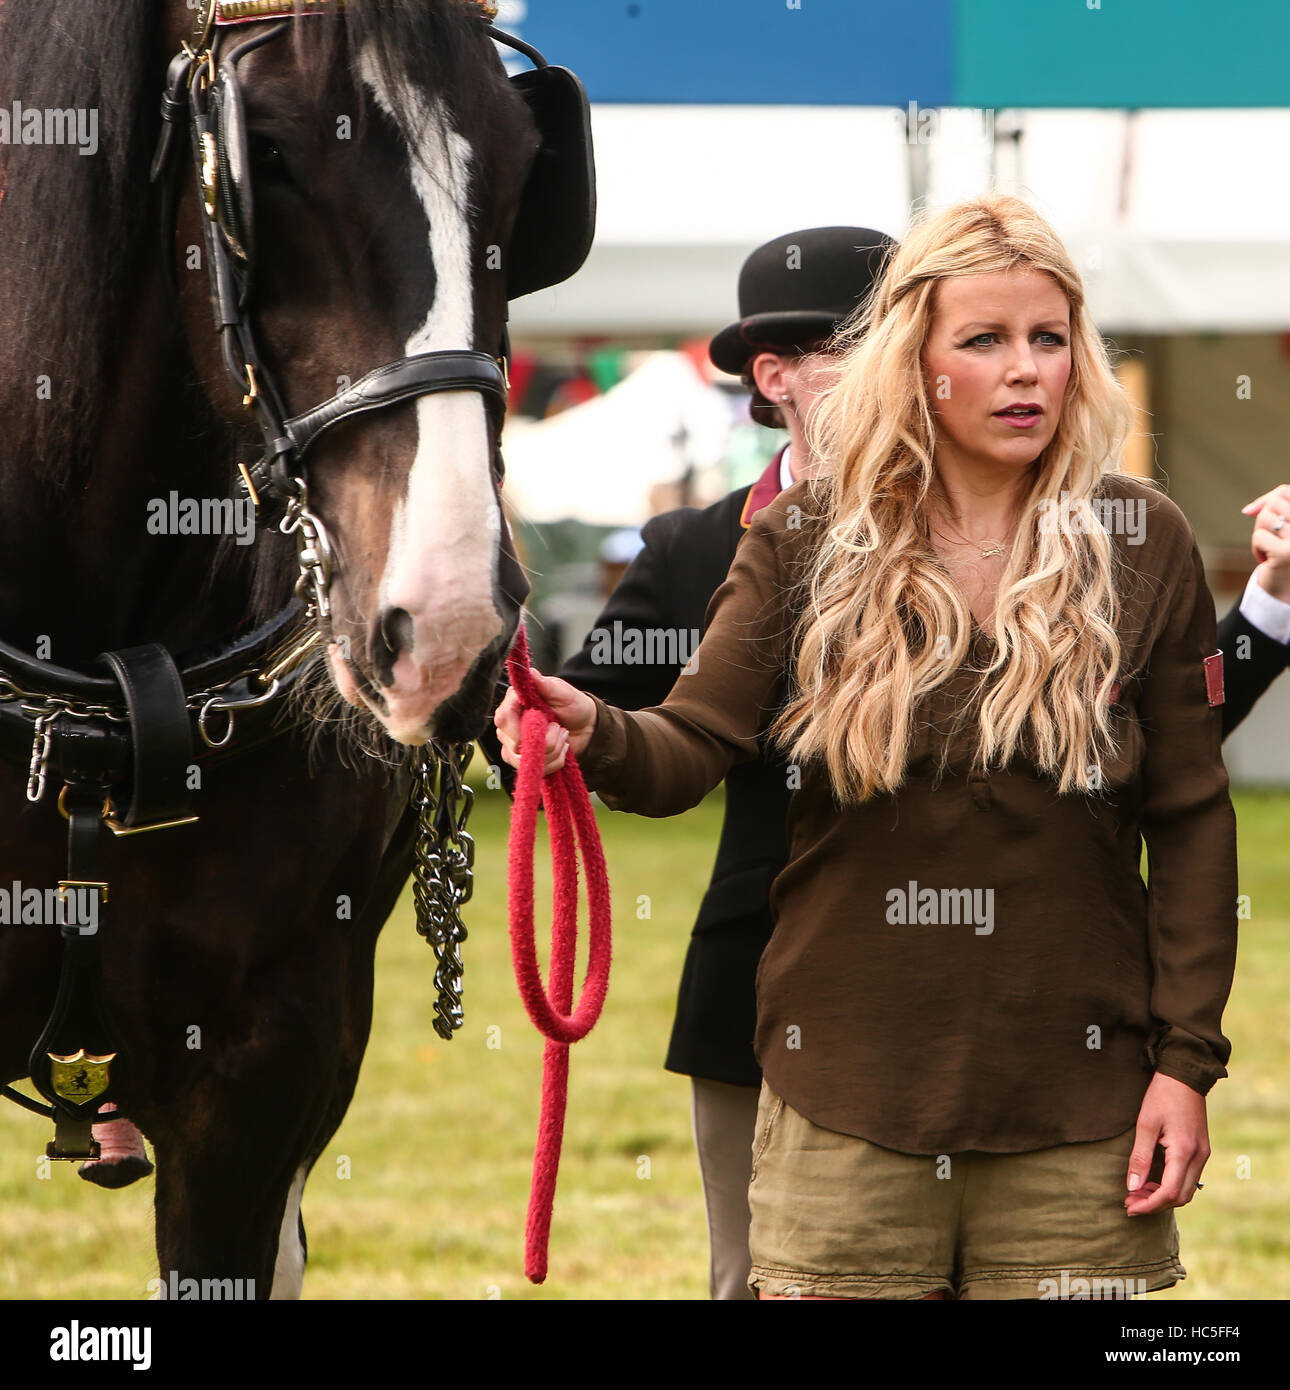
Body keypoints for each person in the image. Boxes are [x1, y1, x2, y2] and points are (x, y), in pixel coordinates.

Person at [495, 194, 1239, 1300]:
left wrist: (1186, 1066)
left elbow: (1189, 817)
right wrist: (591, 727)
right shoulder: (804, 537)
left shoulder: (1145, 540)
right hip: (840, 1099)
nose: (1025, 369)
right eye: (982, 340)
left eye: (1048, 338)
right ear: (915, 360)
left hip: (1085, 1109)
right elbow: (690, 743)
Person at [478, 226, 896, 1299]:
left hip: (971, 984)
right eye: (869, 338)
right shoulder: (693, 550)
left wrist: (1265, 613)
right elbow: (597, 716)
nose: (908, 360)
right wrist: (528, 729)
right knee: (757, 1280)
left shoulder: (996, 530)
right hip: (757, 978)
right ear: (778, 375)